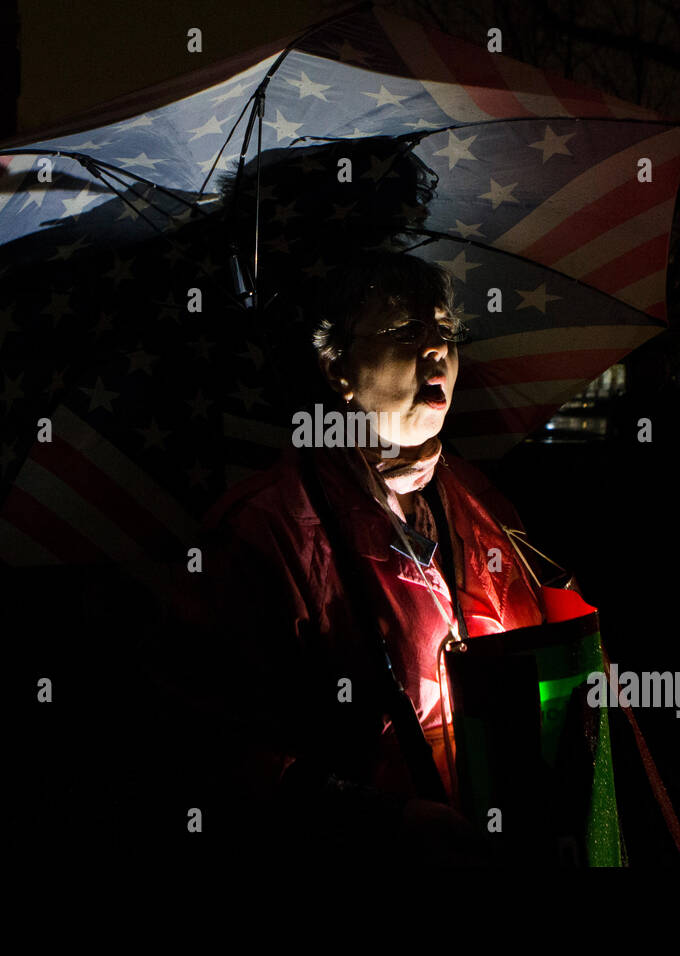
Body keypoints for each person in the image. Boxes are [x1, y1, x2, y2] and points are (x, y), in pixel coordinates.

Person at [153, 252, 547, 868]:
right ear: (336, 365)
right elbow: (207, 742)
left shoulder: (479, 499)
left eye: (445, 331)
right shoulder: (264, 528)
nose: (437, 351)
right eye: (406, 332)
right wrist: (374, 820)